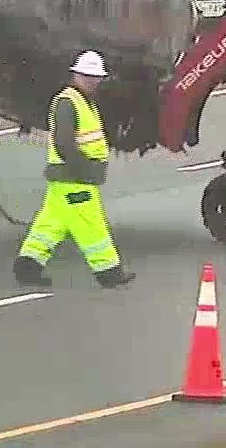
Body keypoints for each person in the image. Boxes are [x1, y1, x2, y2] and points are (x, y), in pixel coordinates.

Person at [12, 50, 137, 289]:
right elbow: (64, 143)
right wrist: (84, 168)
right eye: (87, 76)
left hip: (67, 179)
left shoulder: (83, 102)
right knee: (92, 225)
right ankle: (109, 272)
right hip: (75, 178)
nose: (92, 81)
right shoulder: (68, 103)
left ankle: (27, 267)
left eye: (95, 77)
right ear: (76, 75)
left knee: (50, 225)